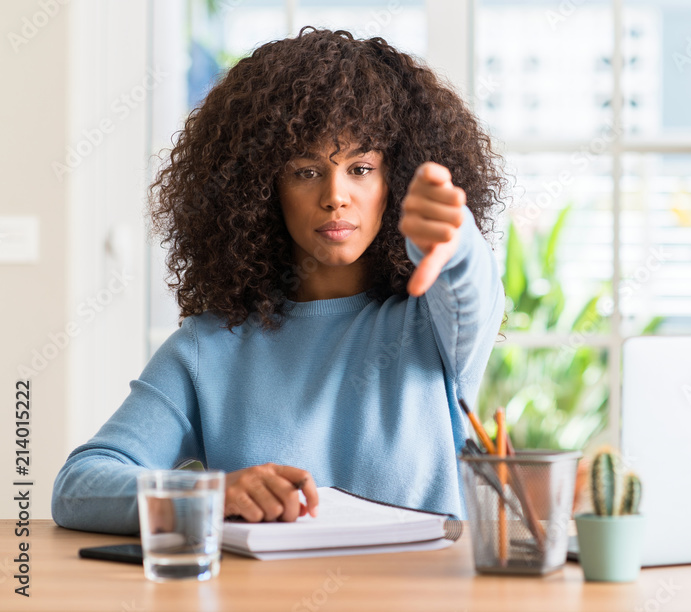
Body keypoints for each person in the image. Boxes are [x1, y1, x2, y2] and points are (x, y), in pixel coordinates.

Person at [51, 27, 507, 534]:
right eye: (306, 171)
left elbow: (471, 282)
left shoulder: (433, 325)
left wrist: (451, 234)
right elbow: (80, 486)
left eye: (360, 168)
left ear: (393, 183)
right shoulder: (209, 348)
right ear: (262, 190)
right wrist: (210, 494)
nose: (336, 195)